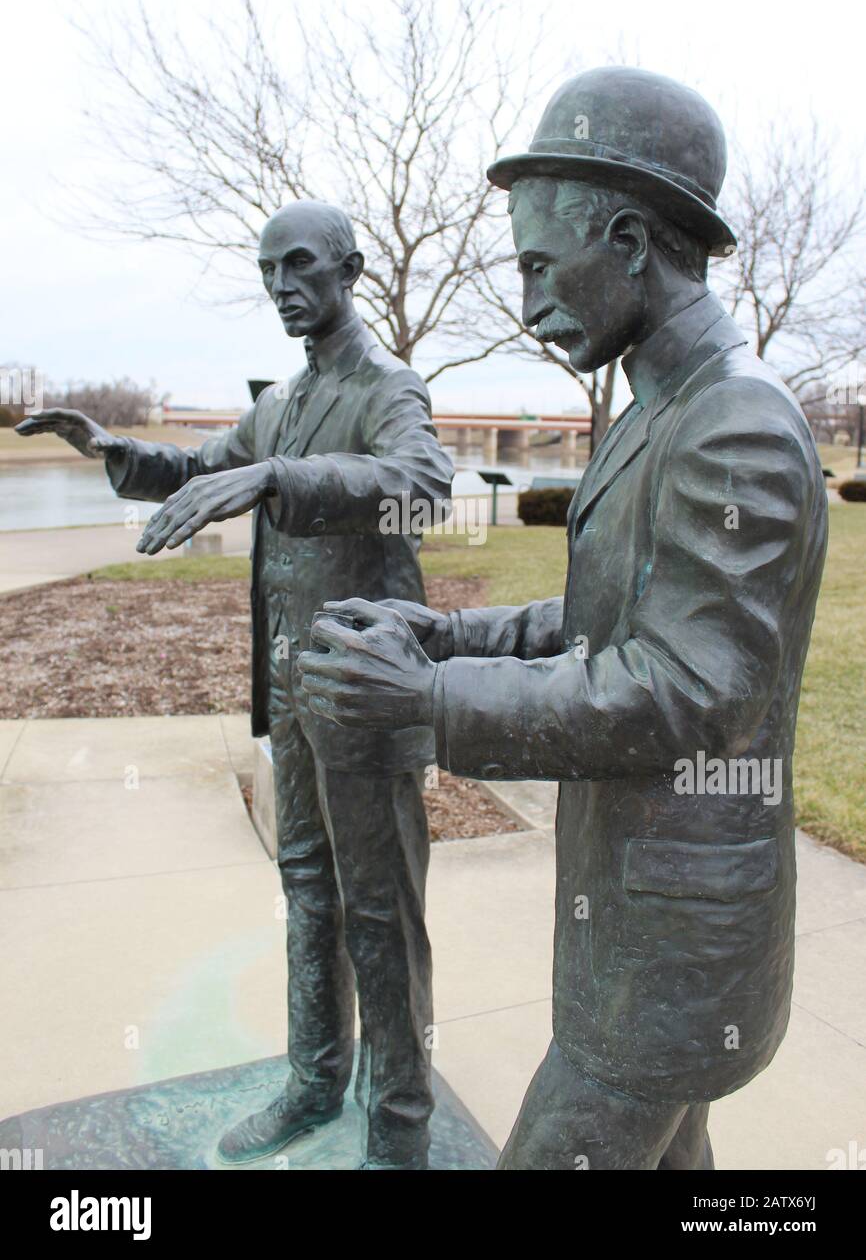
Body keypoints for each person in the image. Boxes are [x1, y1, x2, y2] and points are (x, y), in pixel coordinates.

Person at [296, 70, 829, 1170]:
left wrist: (425, 703)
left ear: (628, 239)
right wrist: (437, 634)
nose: (529, 301)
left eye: (540, 266)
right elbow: (601, 623)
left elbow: (690, 690)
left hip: (668, 958)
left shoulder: (733, 424)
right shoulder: (661, 409)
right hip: (640, 949)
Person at [17, 199, 453, 1171]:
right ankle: (312, 1081)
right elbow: (200, 465)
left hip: (365, 689)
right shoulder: (282, 402)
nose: (282, 290)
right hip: (293, 681)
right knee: (306, 886)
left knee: (378, 909)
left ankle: (399, 1124)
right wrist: (106, 449)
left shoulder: (386, 387)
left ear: (351, 268)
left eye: (298, 268)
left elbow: (420, 483)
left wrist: (276, 479)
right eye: (268, 276)